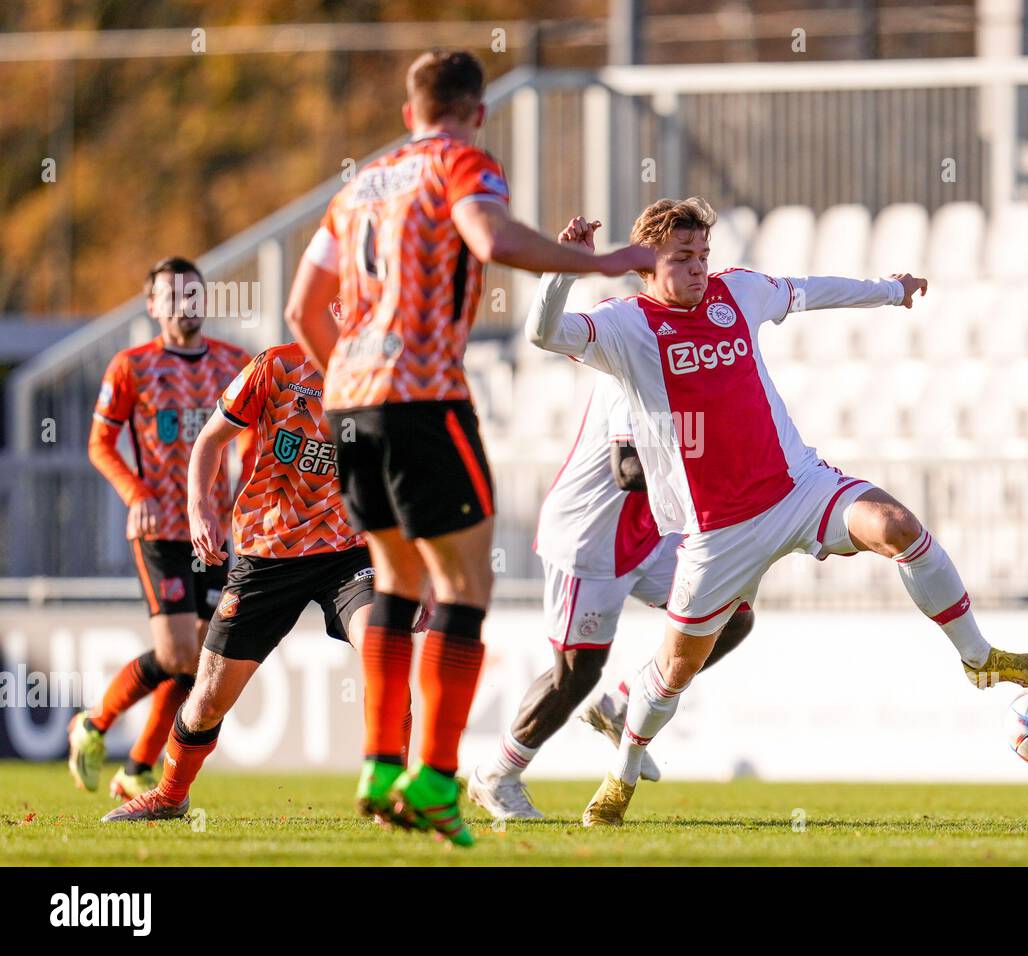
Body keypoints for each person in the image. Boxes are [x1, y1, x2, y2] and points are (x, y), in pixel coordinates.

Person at [527, 200, 1028, 826]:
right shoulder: (625, 326)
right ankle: (620, 778)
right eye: (682, 259)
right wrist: (562, 269)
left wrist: (891, 290)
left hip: (796, 489)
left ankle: (980, 658)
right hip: (716, 532)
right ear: (646, 263)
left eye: (703, 256)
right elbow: (543, 332)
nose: (699, 269)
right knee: (673, 673)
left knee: (897, 528)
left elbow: (810, 291)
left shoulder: (738, 293)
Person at [284, 49, 654, 845]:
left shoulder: (356, 187)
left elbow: (300, 310)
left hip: (351, 403)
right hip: (424, 400)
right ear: (476, 111)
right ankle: (434, 781)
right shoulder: (462, 162)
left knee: (391, 581)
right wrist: (602, 262)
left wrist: (349, 380)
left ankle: (381, 766)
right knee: (459, 593)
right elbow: (486, 238)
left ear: (408, 111)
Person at [101, 342, 420, 822]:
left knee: (384, 648)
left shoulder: (388, 373)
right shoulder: (276, 366)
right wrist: (199, 509)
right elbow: (209, 441)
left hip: (349, 549)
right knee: (206, 699)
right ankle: (169, 795)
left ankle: (391, 796)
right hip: (269, 553)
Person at [468, 374, 753, 819]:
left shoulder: (692, 363)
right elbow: (629, 470)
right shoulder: (631, 367)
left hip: (645, 535)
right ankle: (497, 774)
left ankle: (624, 703)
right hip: (590, 541)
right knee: (576, 675)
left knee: (730, 613)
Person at [70, 257, 250, 802]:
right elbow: (100, 444)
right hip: (159, 526)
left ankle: (139, 768)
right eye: (172, 296)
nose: (184, 304)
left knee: (201, 662)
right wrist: (136, 491)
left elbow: (251, 437)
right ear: (152, 306)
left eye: (193, 294)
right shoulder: (132, 367)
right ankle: (95, 724)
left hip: (212, 531)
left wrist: (241, 490)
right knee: (177, 655)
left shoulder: (235, 363)